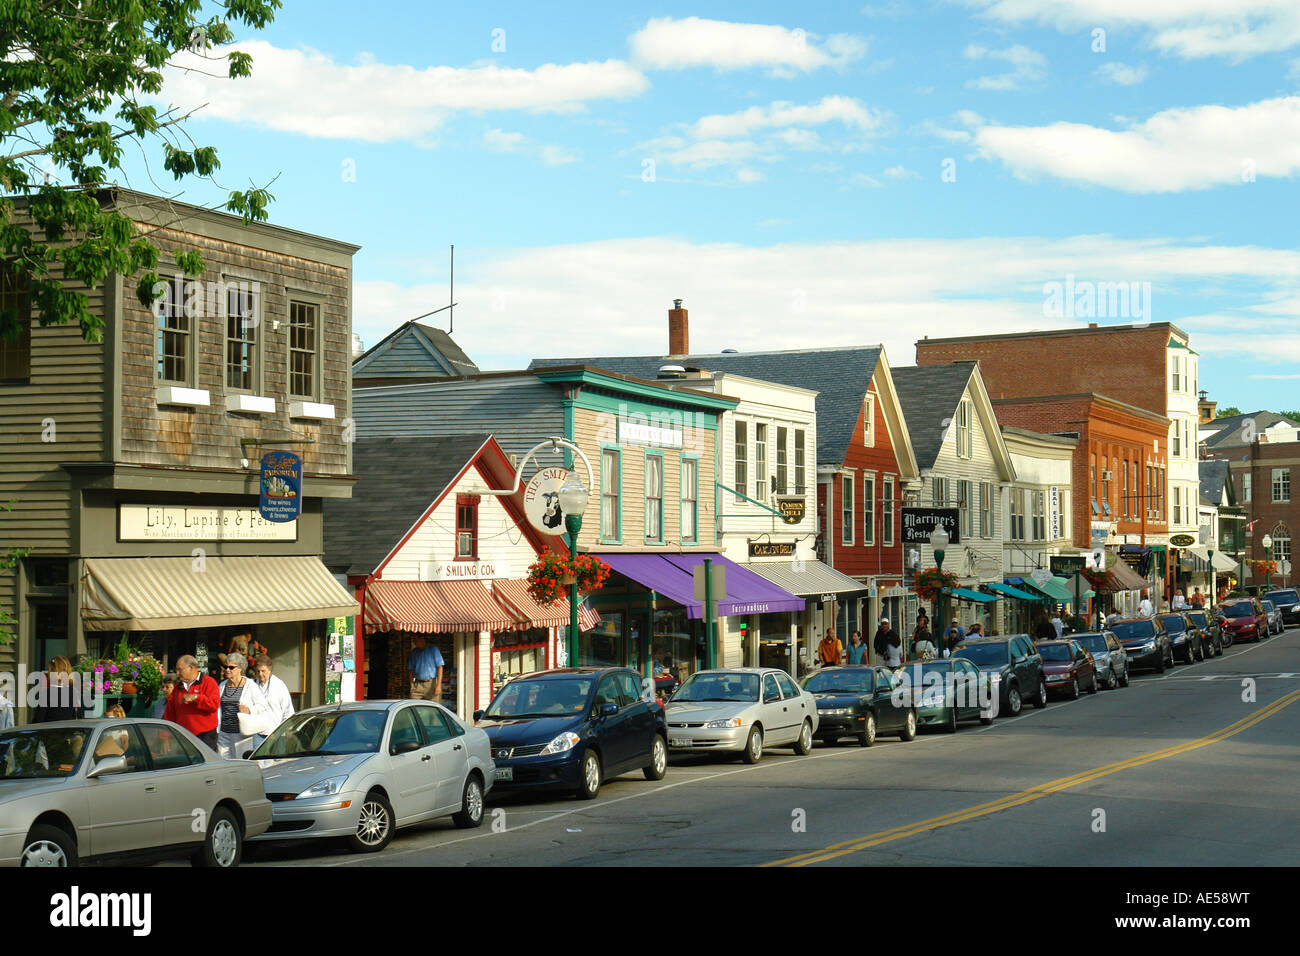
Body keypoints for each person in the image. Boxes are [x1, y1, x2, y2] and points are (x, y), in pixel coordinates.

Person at [216, 652, 274, 761]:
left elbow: (262, 705)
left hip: (241, 734)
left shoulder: (250, 685)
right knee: (223, 763)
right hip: (224, 732)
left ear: (240, 668)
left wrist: (249, 710)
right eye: (225, 667)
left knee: (240, 763)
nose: (227, 670)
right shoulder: (222, 685)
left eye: (231, 667)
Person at [164, 654, 221, 752]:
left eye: (180, 669)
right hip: (183, 736)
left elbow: (214, 705)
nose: (177, 673)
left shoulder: (209, 682)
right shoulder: (178, 687)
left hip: (205, 736)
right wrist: (164, 737)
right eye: (176, 670)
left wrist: (196, 698)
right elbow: (169, 713)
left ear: (191, 667)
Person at [249, 656, 295, 751]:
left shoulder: (279, 685)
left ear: (270, 670)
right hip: (257, 734)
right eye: (258, 671)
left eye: (263, 671)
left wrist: (281, 731)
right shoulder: (252, 685)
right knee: (258, 763)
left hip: (276, 733)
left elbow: (288, 710)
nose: (260, 674)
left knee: (276, 763)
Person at [32, 655, 81, 723]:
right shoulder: (73, 693)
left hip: (50, 732)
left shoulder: (47, 693)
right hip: (67, 731)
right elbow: (74, 717)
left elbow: (38, 720)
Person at [408, 634, 445, 701]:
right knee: (413, 706)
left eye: (416, 640)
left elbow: (440, 667)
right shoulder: (414, 652)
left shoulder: (434, 650)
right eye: (414, 640)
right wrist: (411, 685)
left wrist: (438, 685)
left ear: (422, 639)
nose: (414, 642)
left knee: (433, 707)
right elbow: (410, 669)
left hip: (431, 683)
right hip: (417, 684)